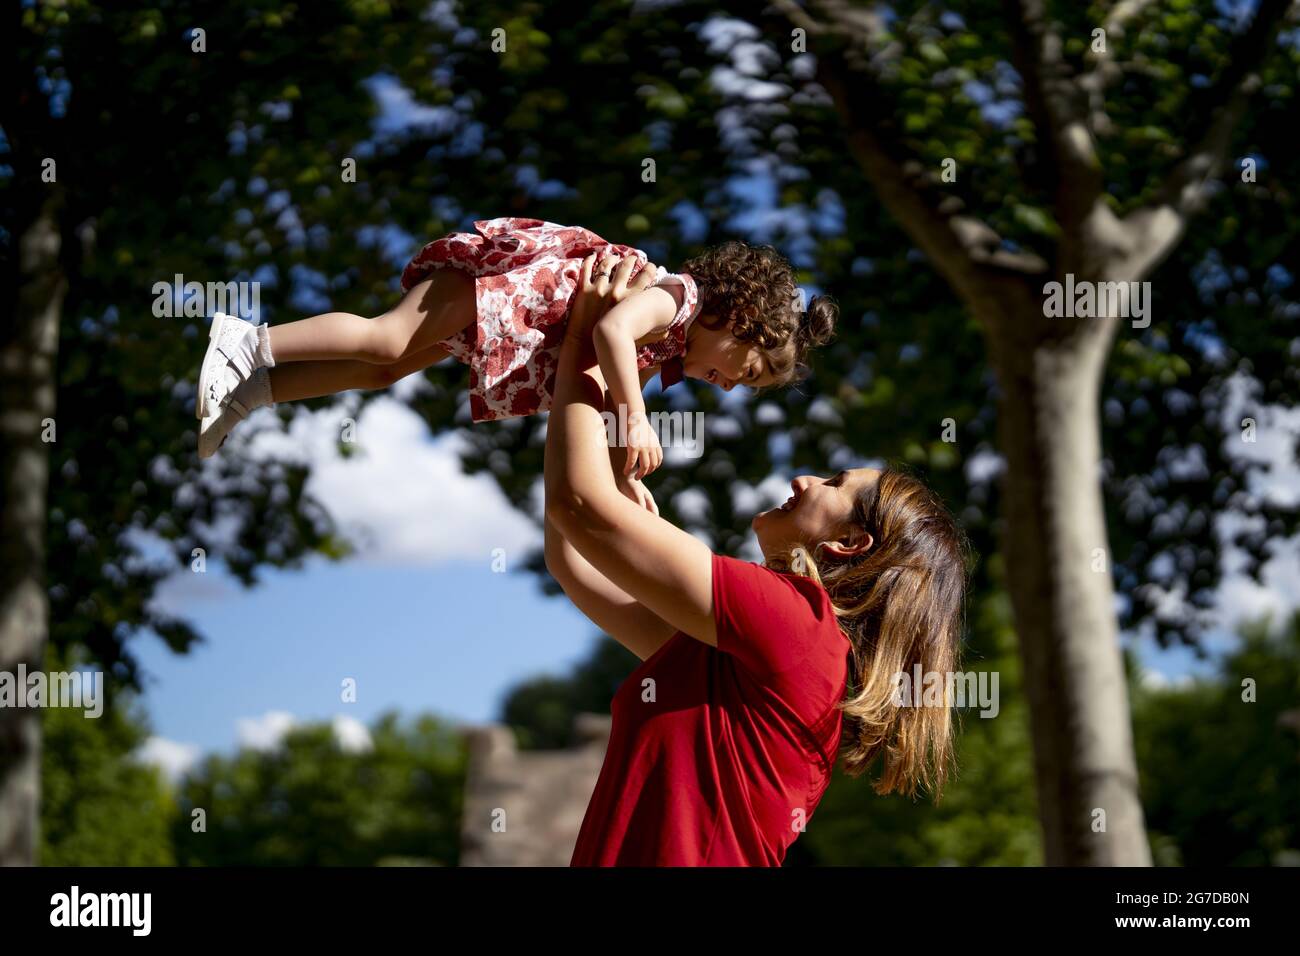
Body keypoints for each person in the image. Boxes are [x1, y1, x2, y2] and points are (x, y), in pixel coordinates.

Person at [544, 252, 969, 865]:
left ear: (850, 545)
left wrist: (586, 339)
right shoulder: (763, 653)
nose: (803, 478)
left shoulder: (799, 625)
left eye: (835, 483)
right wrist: (608, 427)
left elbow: (577, 507)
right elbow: (574, 559)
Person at [194, 217, 836, 483]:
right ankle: (248, 344)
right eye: (742, 372)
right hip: (499, 292)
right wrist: (638, 420)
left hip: (506, 321)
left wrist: (625, 482)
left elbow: (614, 393)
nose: (725, 387)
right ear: (741, 321)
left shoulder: (664, 345)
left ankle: (250, 391)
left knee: (386, 370)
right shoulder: (677, 300)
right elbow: (610, 335)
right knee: (385, 336)